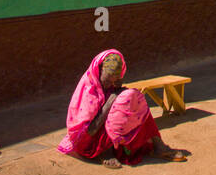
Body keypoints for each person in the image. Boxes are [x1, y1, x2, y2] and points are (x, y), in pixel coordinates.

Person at [58, 49, 189, 167]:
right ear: (98, 71)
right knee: (120, 103)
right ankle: (105, 153)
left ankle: (159, 145)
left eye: (115, 81)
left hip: (110, 129)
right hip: (89, 140)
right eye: (107, 81)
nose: (110, 85)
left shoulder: (113, 85)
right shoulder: (88, 89)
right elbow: (90, 131)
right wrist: (111, 100)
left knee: (135, 100)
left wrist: (121, 96)